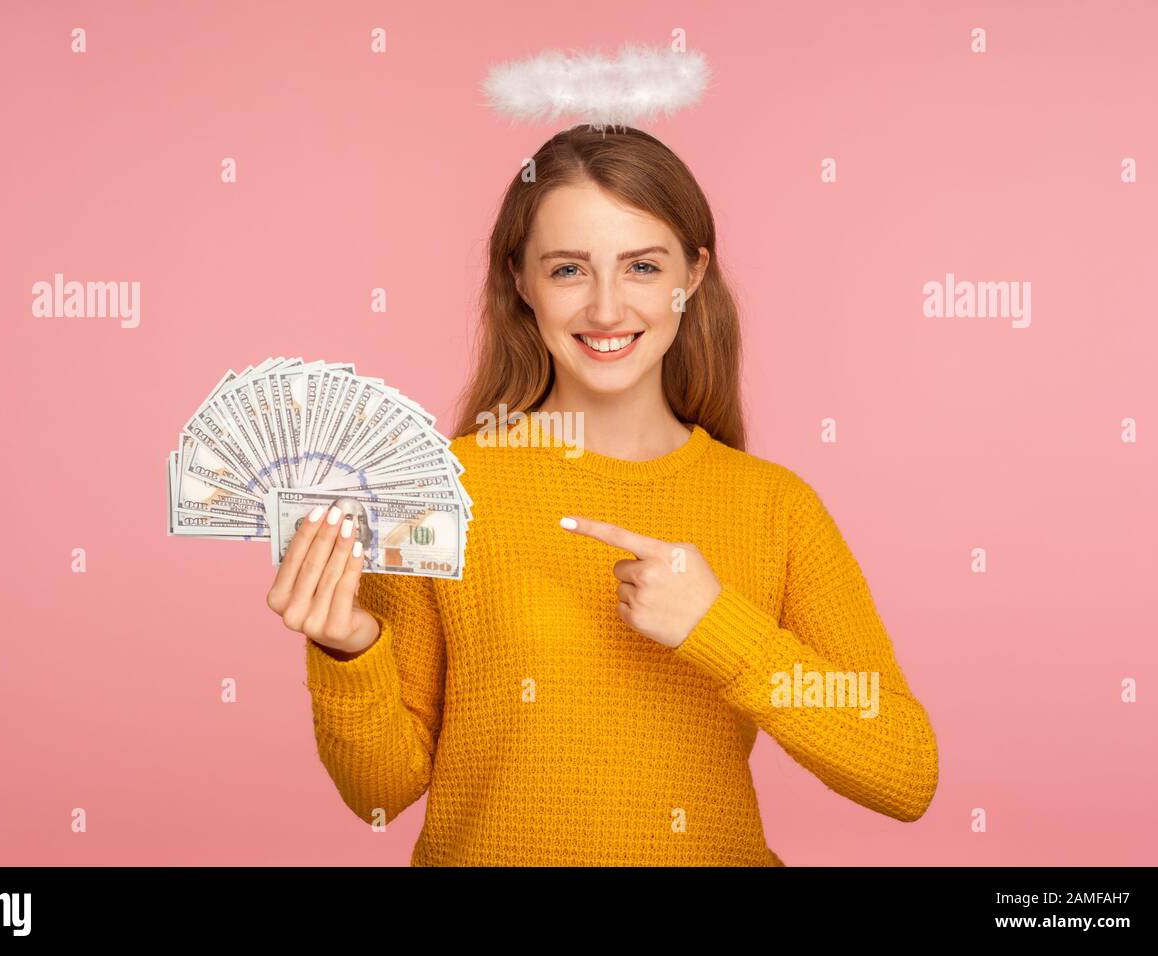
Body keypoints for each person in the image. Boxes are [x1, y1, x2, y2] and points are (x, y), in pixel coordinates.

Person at [265, 124, 939, 866]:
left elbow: (904, 774)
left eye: (643, 267)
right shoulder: (442, 493)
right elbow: (381, 795)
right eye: (569, 271)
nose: (608, 309)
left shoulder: (776, 507)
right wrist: (346, 648)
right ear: (520, 280)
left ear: (693, 275)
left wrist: (717, 628)